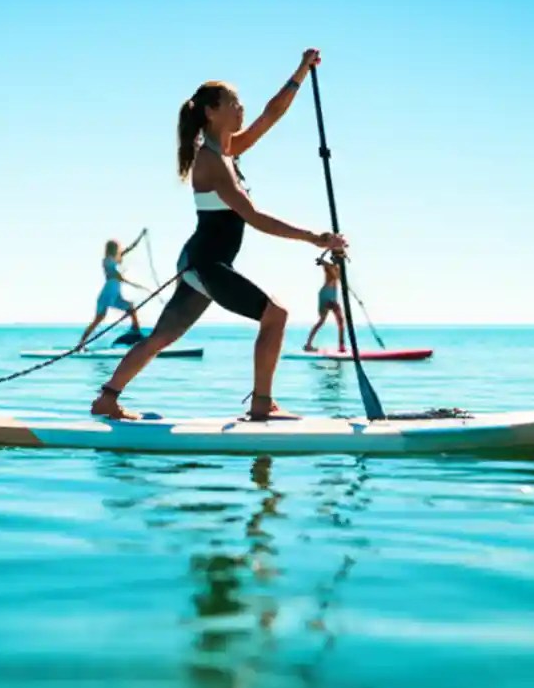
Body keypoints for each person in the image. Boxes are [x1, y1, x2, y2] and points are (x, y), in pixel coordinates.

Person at [89, 48, 346, 421]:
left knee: (162, 337)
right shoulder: (210, 160)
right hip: (206, 263)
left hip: (201, 261)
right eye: (233, 102)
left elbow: (270, 116)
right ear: (212, 111)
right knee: (275, 315)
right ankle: (261, 405)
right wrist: (315, 237)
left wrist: (300, 72)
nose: (241, 108)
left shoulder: (226, 150)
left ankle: (107, 399)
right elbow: (252, 216)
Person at [75, 233, 149, 350]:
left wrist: (140, 236)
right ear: (112, 249)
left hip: (115, 292)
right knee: (99, 318)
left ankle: (136, 330)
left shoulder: (115, 259)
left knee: (130, 307)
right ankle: (81, 344)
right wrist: (135, 285)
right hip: (108, 291)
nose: (118, 250)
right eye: (117, 248)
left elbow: (129, 249)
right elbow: (116, 275)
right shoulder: (106, 261)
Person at [303, 251, 344, 352]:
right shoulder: (329, 266)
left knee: (338, 322)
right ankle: (308, 345)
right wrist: (322, 260)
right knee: (325, 320)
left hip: (333, 296)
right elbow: (322, 261)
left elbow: (339, 277)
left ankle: (341, 347)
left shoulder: (339, 269)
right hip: (325, 294)